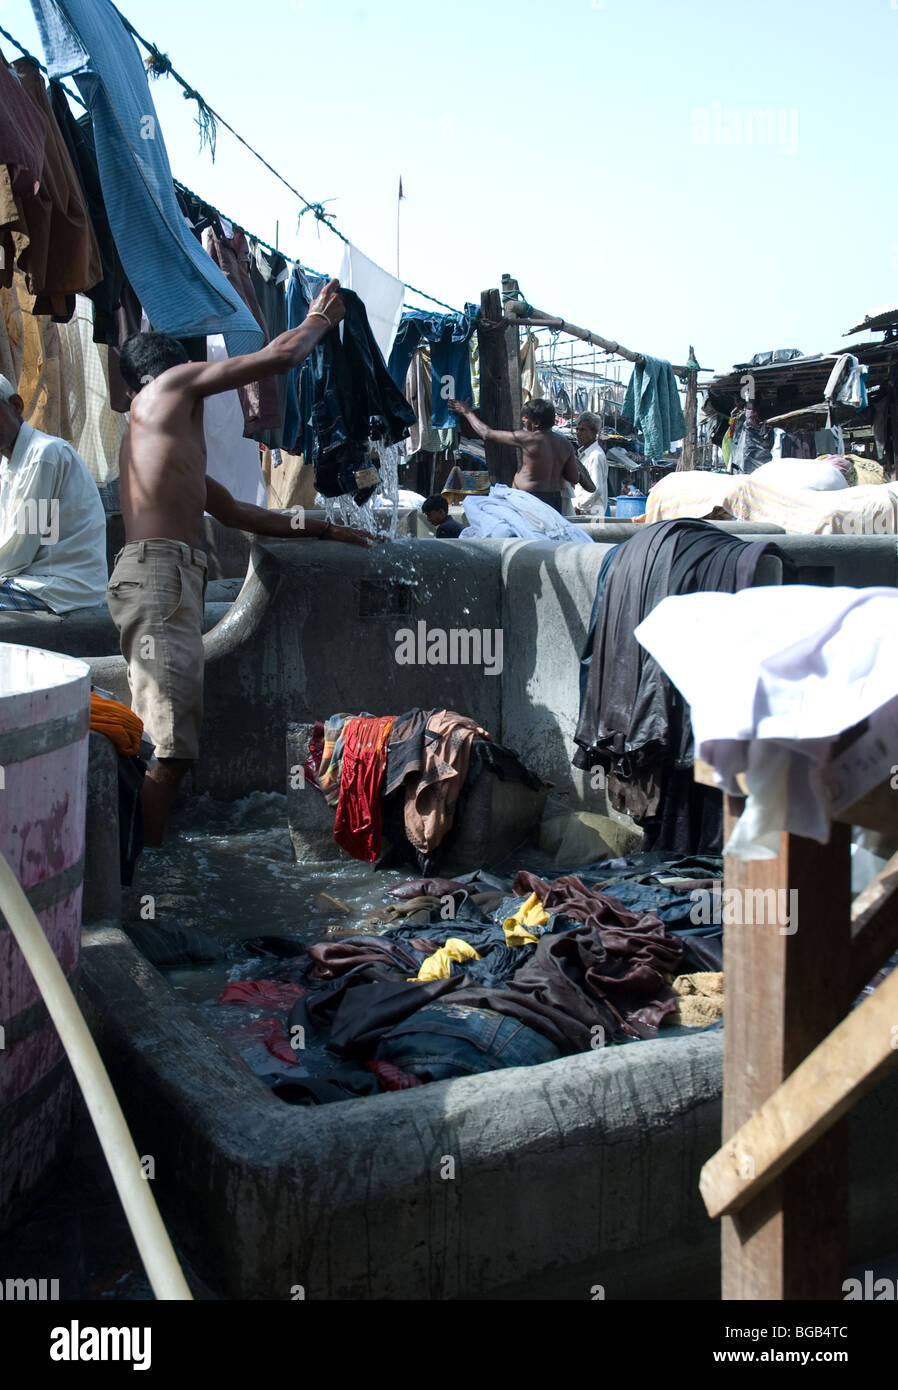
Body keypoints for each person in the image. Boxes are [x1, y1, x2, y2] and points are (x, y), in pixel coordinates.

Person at [111, 277, 374, 845]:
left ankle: (140, 857)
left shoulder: (159, 442)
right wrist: (320, 318)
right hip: (160, 577)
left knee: (168, 742)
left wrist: (326, 526)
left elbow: (240, 514)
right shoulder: (170, 385)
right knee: (172, 749)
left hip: (163, 577)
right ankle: (138, 876)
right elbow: (281, 355)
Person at [0, 374, 106, 612]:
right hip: (33, 580)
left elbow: (20, 547)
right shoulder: (10, 462)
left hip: (61, 586)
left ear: (16, 406)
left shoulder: (42, 455)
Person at [447, 396, 578, 512]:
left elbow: (486, 433)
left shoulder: (529, 438)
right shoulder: (565, 444)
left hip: (530, 500)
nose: (524, 424)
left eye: (525, 421)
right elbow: (574, 477)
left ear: (536, 423)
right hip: (554, 500)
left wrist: (466, 412)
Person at [572, 411, 609, 516]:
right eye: (577, 429)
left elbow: (595, 490)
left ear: (594, 432)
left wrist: (578, 506)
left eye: (583, 430)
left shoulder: (595, 456)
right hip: (585, 512)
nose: (578, 433)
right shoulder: (584, 454)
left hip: (591, 514)